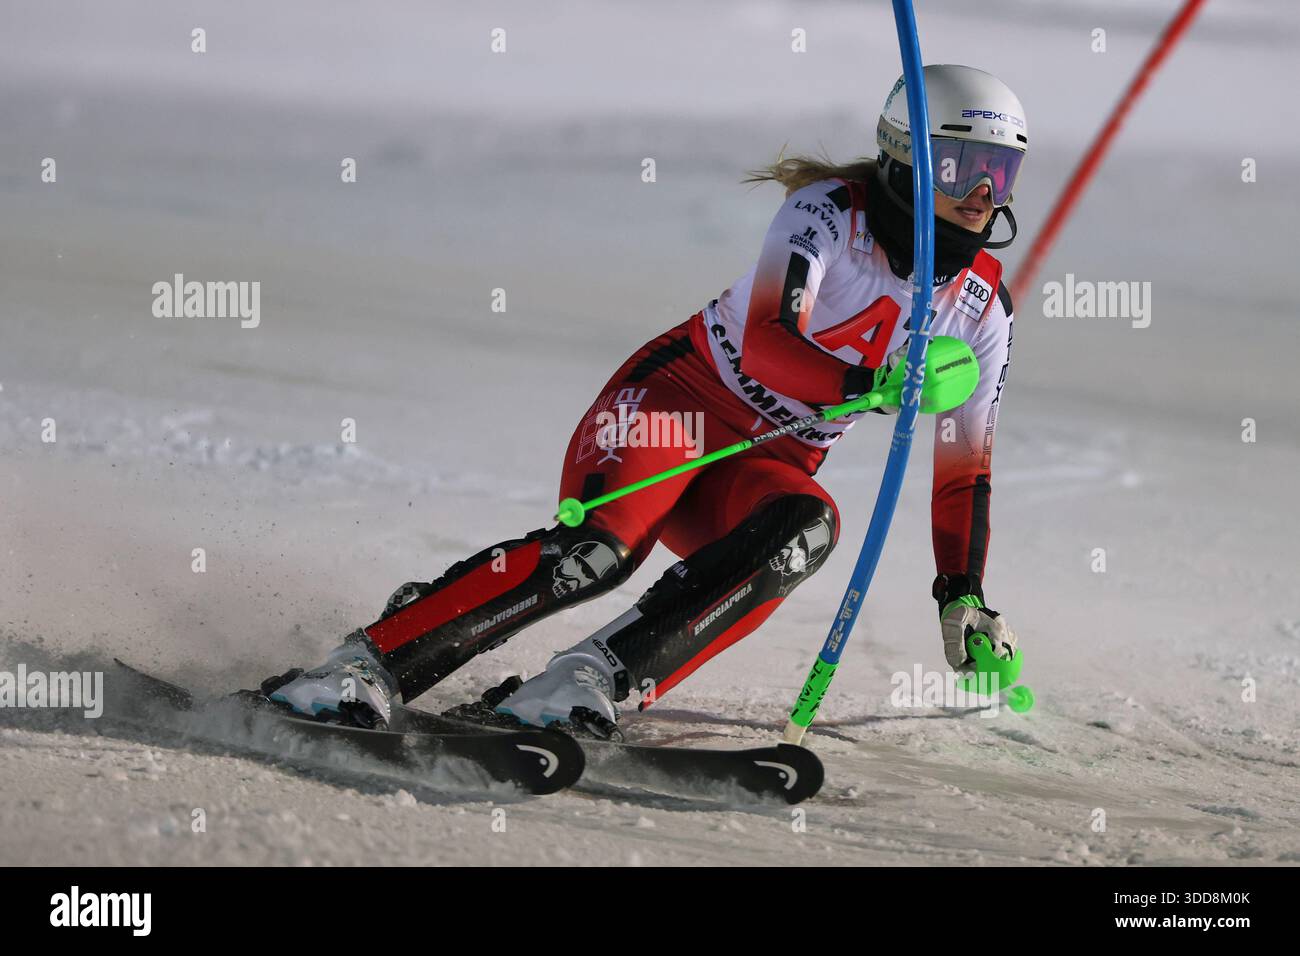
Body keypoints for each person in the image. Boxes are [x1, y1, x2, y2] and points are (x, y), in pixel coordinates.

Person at [264, 64, 1024, 738]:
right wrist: (864, 386)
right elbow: (765, 338)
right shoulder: (828, 213)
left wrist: (961, 594)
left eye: (1002, 172)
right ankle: (367, 661)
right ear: (907, 158)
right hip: (676, 405)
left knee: (807, 526)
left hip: (760, 466)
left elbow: (964, 470)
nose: (984, 196)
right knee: (598, 553)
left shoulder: (983, 310)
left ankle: (589, 678)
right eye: (961, 168)